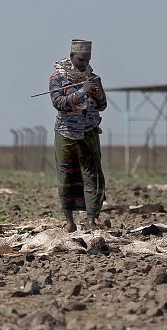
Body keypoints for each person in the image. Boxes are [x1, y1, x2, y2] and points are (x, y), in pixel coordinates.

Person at [49, 39, 107, 232]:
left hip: (88, 133)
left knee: (92, 176)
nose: (84, 63)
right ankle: (70, 222)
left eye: (87, 59)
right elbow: (59, 103)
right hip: (66, 133)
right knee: (66, 177)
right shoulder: (58, 78)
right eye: (81, 59)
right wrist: (82, 92)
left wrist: (97, 93)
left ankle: (91, 220)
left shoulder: (93, 78)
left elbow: (103, 105)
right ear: (72, 56)